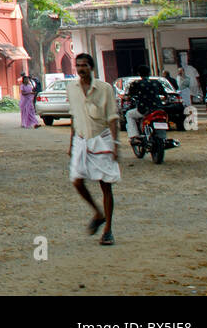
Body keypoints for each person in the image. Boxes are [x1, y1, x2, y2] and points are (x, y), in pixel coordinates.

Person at [67, 52, 120, 246]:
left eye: (85, 65)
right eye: (78, 65)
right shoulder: (71, 89)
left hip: (102, 138)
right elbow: (74, 116)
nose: (81, 69)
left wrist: (115, 144)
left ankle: (108, 230)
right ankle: (98, 213)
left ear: (92, 67)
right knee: (77, 181)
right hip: (81, 140)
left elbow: (113, 118)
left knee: (105, 184)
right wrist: (71, 144)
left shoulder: (105, 89)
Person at [123, 64, 162, 142]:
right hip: (158, 108)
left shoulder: (136, 83)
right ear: (149, 73)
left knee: (129, 114)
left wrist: (127, 98)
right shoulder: (156, 82)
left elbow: (129, 96)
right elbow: (165, 94)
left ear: (139, 74)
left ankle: (134, 136)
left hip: (144, 109)